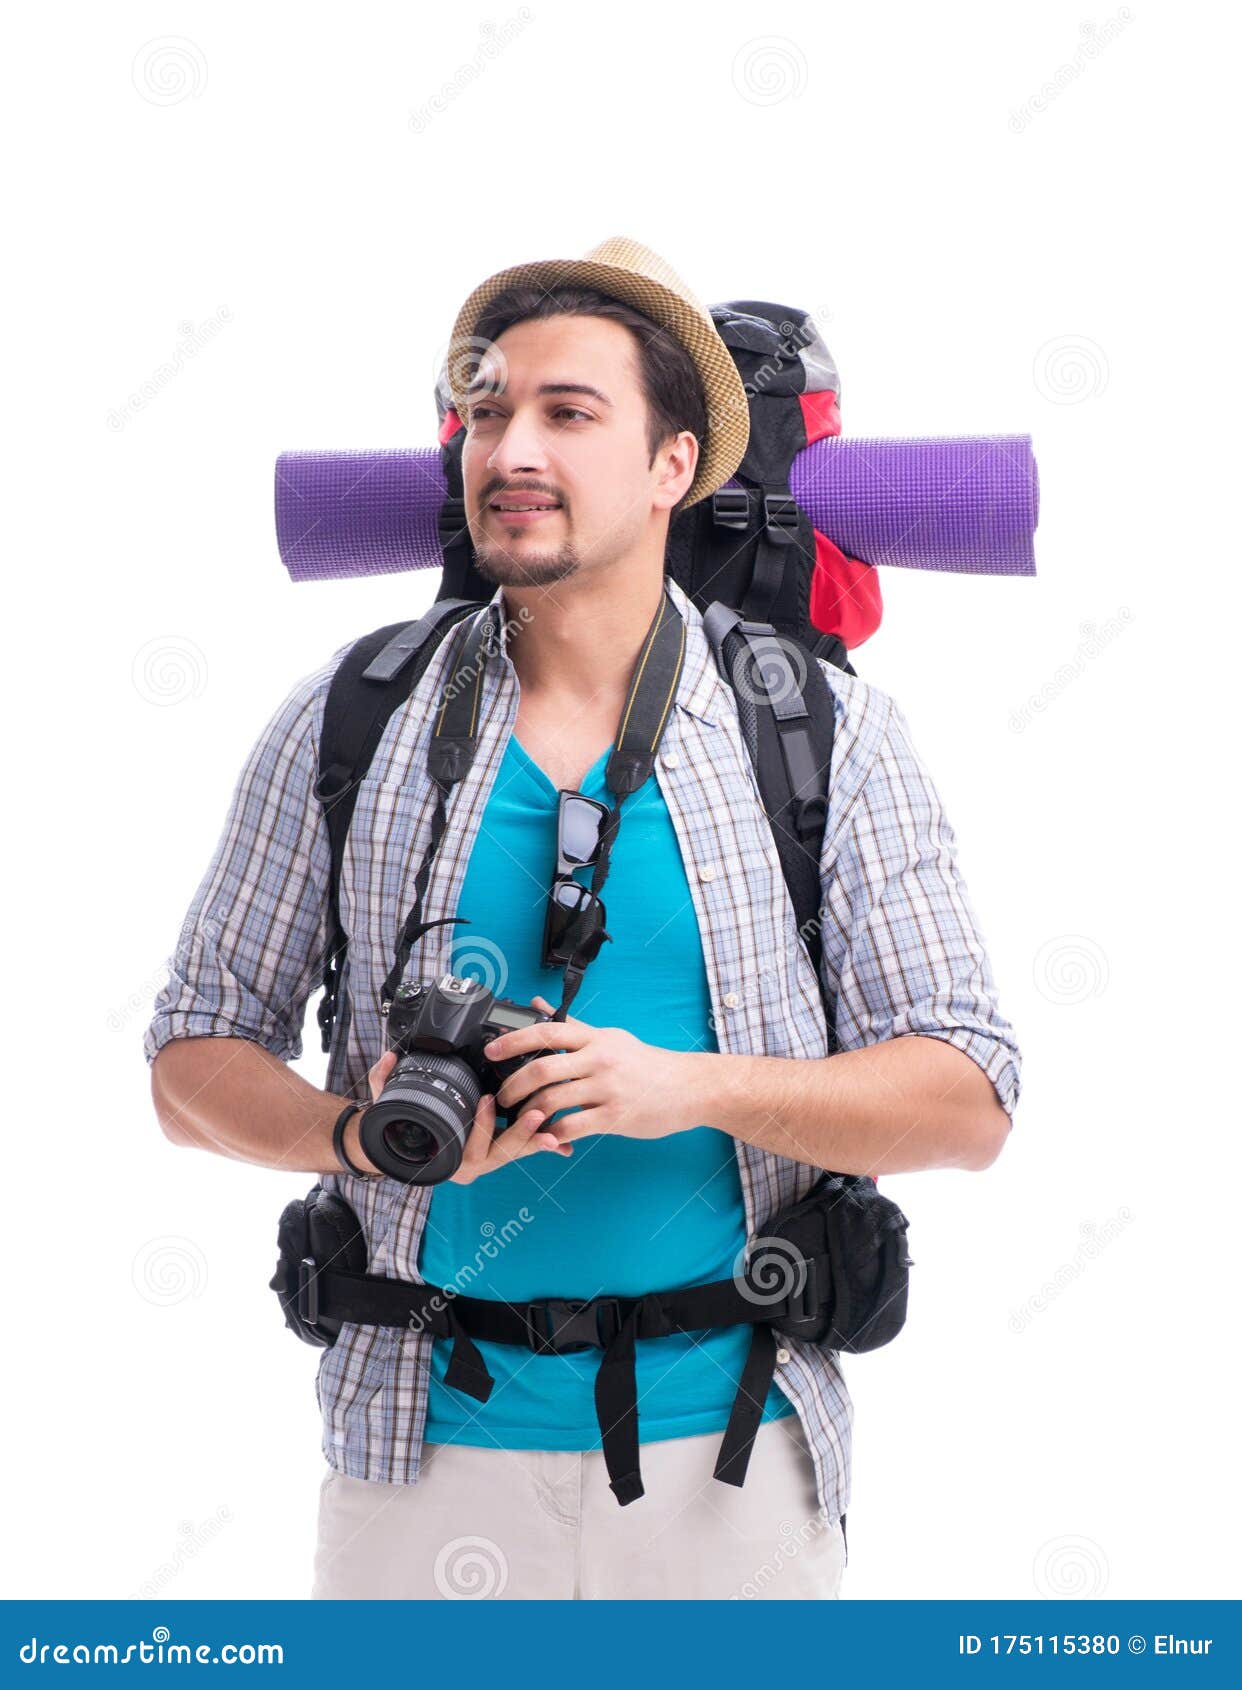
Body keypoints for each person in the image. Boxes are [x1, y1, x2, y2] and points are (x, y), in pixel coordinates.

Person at [146, 237, 1022, 1601]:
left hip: (734, 1468)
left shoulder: (820, 734)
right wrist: (356, 1137)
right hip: (412, 1457)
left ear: (675, 464)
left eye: (569, 412)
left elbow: (968, 1099)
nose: (511, 449)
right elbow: (191, 1058)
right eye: (487, 411)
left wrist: (688, 1087)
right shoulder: (348, 720)